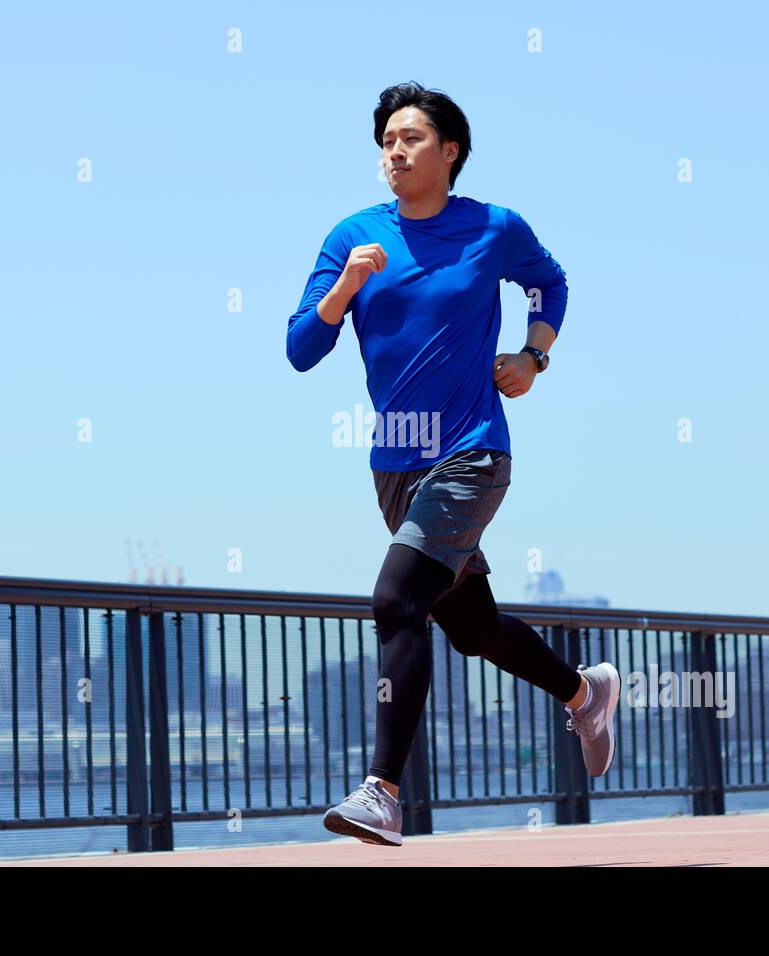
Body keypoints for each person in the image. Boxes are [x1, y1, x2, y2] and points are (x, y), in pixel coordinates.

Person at [286, 81, 620, 847]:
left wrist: (535, 355)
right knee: (470, 627)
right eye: (386, 142)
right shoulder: (353, 236)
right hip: (395, 464)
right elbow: (302, 348)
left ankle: (382, 792)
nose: (393, 152)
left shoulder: (494, 229)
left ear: (449, 151)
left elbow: (552, 282)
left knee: (397, 598)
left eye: (409, 138)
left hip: (473, 450)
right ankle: (584, 692)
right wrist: (344, 288)